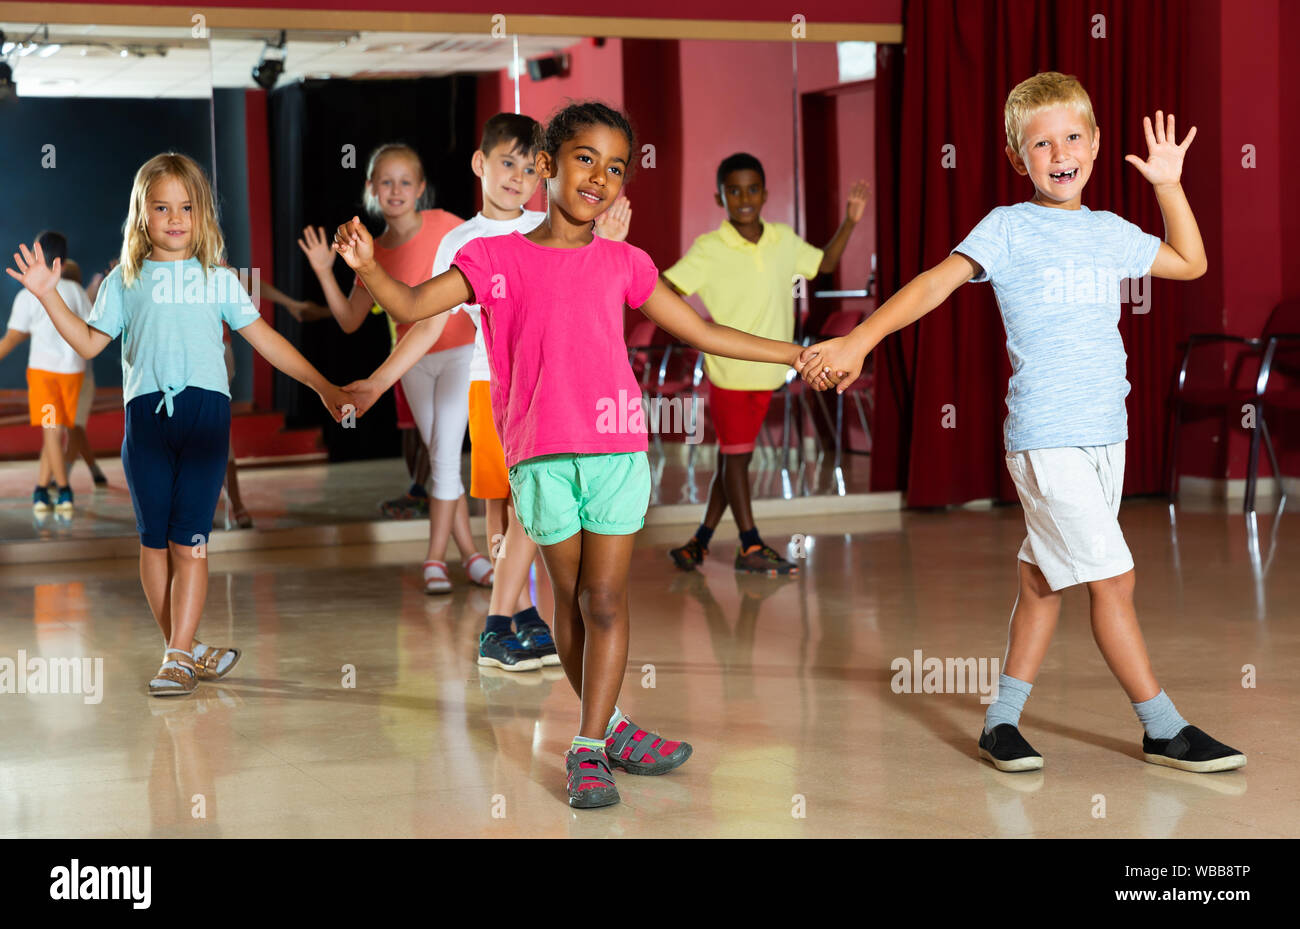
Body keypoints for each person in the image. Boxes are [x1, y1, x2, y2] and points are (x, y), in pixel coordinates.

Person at [335, 101, 823, 808]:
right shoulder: (494, 259)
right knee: (567, 602)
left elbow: (706, 333)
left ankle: (587, 746)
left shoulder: (625, 263)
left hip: (618, 452)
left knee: (605, 600)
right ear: (546, 167)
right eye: (585, 158)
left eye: (616, 166)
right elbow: (412, 307)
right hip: (539, 460)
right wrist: (366, 266)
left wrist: (797, 355)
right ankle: (613, 730)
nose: (600, 175)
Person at [801, 72, 1245, 774]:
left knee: (1043, 580)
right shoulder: (1008, 227)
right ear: (1018, 159)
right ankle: (1164, 727)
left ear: (1096, 146)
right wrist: (860, 341)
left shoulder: (1107, 232)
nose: (1059, 152)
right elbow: (934, 283)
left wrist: (1168, 184)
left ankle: (1001, 719)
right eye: (1041, 143)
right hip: (1044, 435)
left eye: (1072, 137)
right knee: (1112, 580)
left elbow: (1191, 261)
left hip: (1107, 432)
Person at [6, 152, 348, 696]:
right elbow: (91, 342)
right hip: (145, 422)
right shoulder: (126, 279)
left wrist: (325, 386)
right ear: (142, 214)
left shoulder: (218, 279)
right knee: (154, 544)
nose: (174, 218)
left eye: (186, 207)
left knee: (192, 544)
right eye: (161, 207)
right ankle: (183, 651)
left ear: (202, 213)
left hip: (206, 418)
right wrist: (47, 296)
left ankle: (179, 655)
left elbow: (270, 343)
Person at [345, 112, 630, 671]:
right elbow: (424, 319)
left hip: (551, 394)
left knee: (529, 512)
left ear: (544, 171)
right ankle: (505, 621)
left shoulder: (546, 226)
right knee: (509, 514)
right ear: (480, 165)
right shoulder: (464, 239)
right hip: (492, 388)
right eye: (507, 163)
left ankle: (516, 615)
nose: (518, 177)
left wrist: (608, 244)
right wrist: (378, 383)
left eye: (530, 167)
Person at [299, 143, 493, 590]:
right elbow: (349, 321)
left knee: (443, 456)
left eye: (406, 181)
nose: (396, 189)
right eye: (385, 181)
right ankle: (471, 555)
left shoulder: (448, 225)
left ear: (421, 188)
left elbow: (488, 270)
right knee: (442, 459)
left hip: (464, 354)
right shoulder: (373, 250)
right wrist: (326, 271)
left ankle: (434, 560)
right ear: (371, 188)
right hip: (412, 364)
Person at [665, 155, 868, 575]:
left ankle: (700, 542)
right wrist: (697, 331)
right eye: (733, 190)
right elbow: (665, 288)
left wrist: (849, 221)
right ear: (719, 196)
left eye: (752, 189)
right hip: (732, 374)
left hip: (771, 372)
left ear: (765, 194)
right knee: (736, 460)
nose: (744, 198)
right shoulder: (709, 248)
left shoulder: (782, 239)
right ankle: (750, 545)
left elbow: (824, 264)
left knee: (731, 460)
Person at [0, 231, 89, 513]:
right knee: (56, 432)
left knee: (52, 433)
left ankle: (62, 490)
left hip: (44, 373)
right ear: (63, 258)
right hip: (73, 372)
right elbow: (88, 329)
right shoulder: (75, 291)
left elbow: (13, 337)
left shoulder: (29, 294)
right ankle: (41, 490)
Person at [58, 258, 108, 488]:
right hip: (72, 377)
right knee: (74, 427)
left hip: (75, 377)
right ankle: (94, 470)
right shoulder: (80, 298)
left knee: (73, 428)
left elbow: (96, 286)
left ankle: (63, 479)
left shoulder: (74, 299)